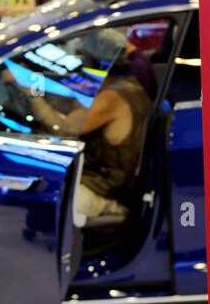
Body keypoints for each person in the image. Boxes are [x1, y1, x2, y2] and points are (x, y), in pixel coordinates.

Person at [27, 29, 150, 224]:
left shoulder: (113, 97)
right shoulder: (124, 85)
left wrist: (33, 93)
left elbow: (62, 130)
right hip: (107, 180)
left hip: (105, 191)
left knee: (38, 191)